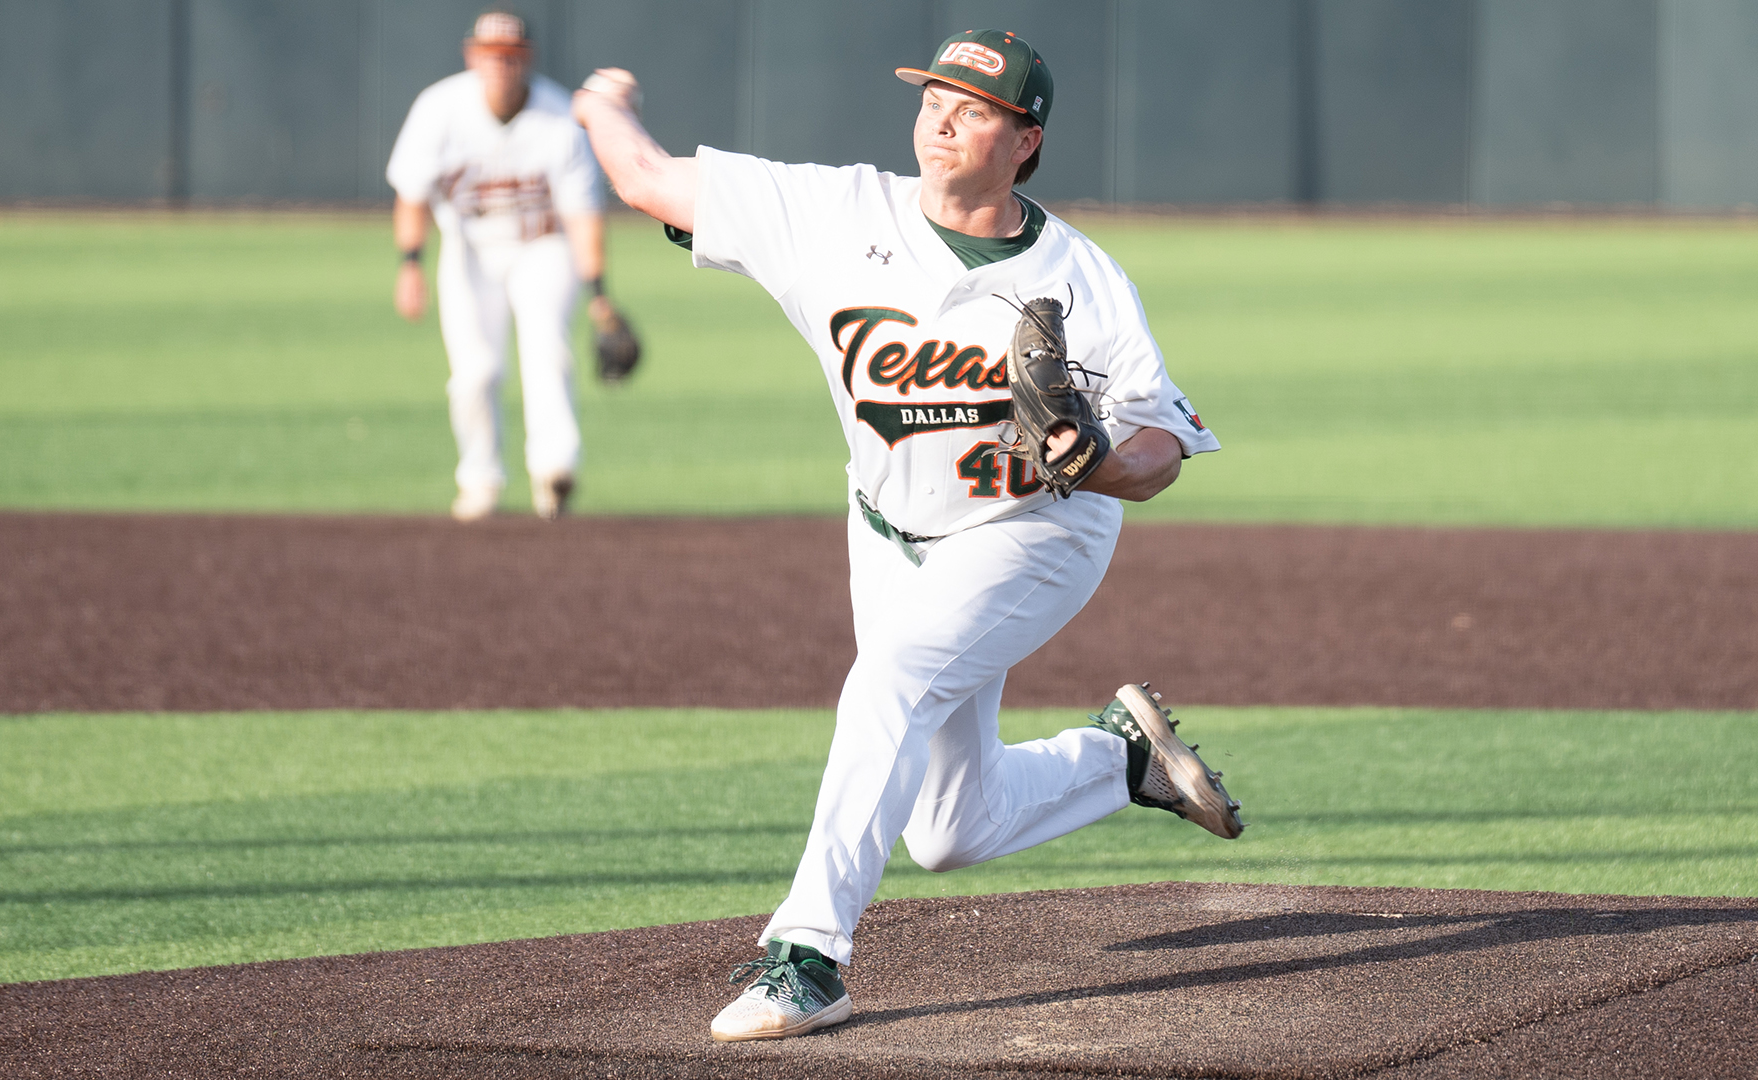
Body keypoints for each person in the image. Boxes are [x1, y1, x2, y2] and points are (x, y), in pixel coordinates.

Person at [575, 28, 1243, 1041]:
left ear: (1025, 140)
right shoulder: (834, 211)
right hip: (886, 529)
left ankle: (808, 959)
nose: (940, 118)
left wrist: (1097, 461)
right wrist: (599, 104)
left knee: (889, 679)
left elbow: (1158, 451)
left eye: (972, 109)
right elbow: (643, 177)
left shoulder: (1084, 278)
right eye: (934, 97)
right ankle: (1121, 762)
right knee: (948, 829)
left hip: (1033, 531)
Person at [386, 10, 623, 522]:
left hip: (543, 246)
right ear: (472, 55)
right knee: (474, 371)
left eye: (511, 55)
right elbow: (411, 194)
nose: (500, 64)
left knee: (547, 348)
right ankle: (480, 480)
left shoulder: (560, 118)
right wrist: (410, 265)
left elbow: (583, 217)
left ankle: (554, 471)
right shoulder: (440, 108)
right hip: (468, 245)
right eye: (491, 54)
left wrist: (599, 293)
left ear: (527, 59)